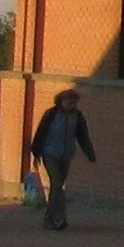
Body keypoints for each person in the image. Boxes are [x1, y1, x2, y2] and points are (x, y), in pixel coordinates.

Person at [28, 88, 97, 231]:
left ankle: (49, 219)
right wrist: (36, 153)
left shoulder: (77, 116)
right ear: (61, 101)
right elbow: (41, 133)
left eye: (74, 102)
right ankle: (59, 219)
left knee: (57, 187)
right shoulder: (51, 114)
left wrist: (90, 153)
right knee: (57, 184)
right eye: (68, 102)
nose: (71, 104)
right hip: (50, 153)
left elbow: (82, 136)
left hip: (66, 155)